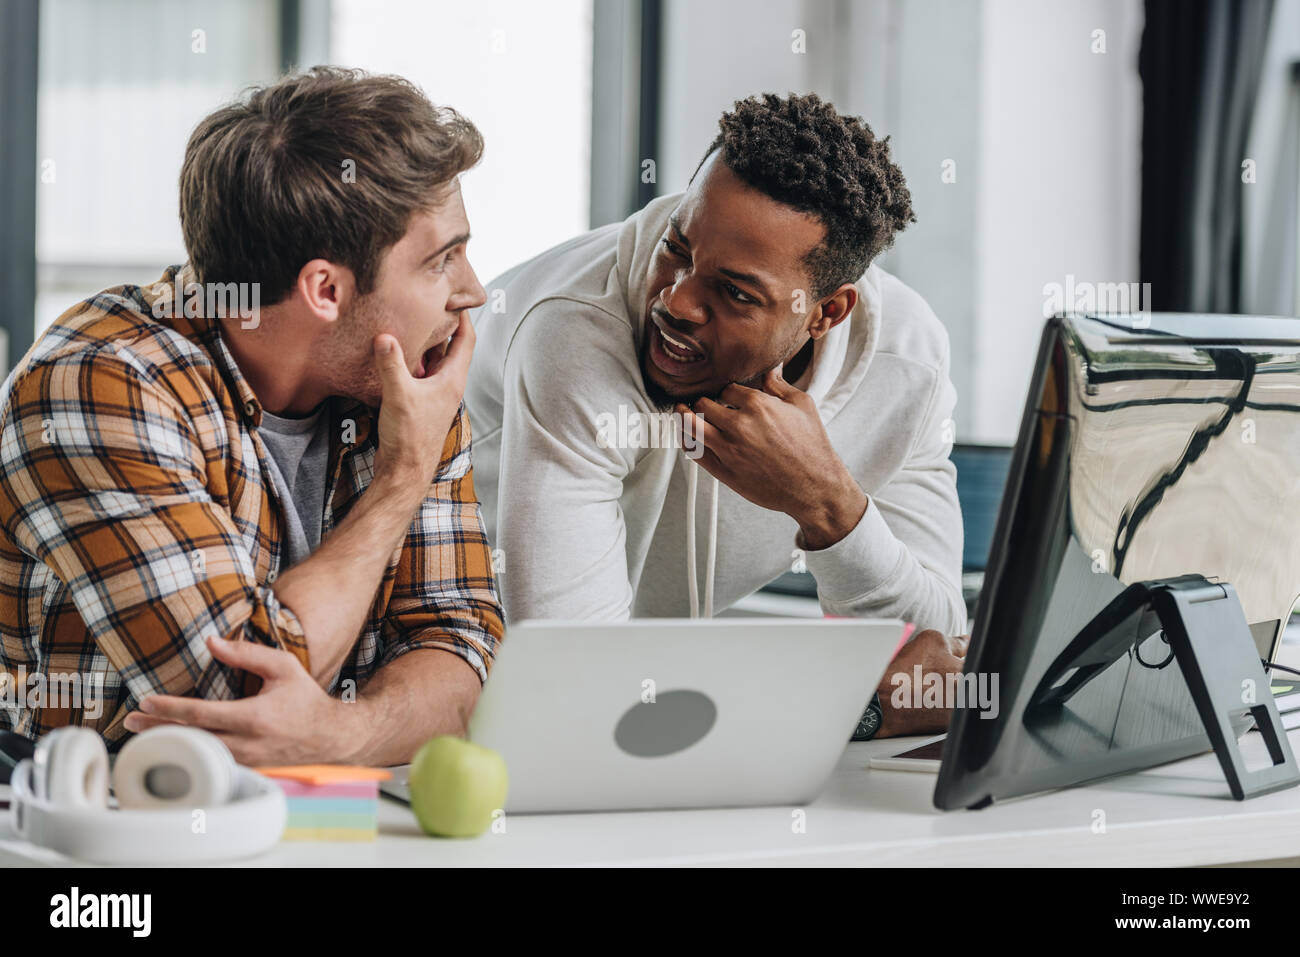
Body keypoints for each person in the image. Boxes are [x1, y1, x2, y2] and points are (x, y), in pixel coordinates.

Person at [0, 67, 502, 765]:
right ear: (324, 289)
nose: (472, 291)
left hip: (329, 821)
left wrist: (343, 733)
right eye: (442, 260)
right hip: (107, 831)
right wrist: (402, 479)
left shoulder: (405, 378)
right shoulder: (99, 382)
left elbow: (463, 643)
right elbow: (234, 693)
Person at [466, 93, 969, 737]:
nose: (676, 302)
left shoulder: (908, 361)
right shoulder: (573, 334)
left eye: (734, 292)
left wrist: (829, 507)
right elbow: (574, 683)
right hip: (443, 691)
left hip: (628, 727)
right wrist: (858, 711)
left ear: (826, 313)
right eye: (678, 249)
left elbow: (938, 661)